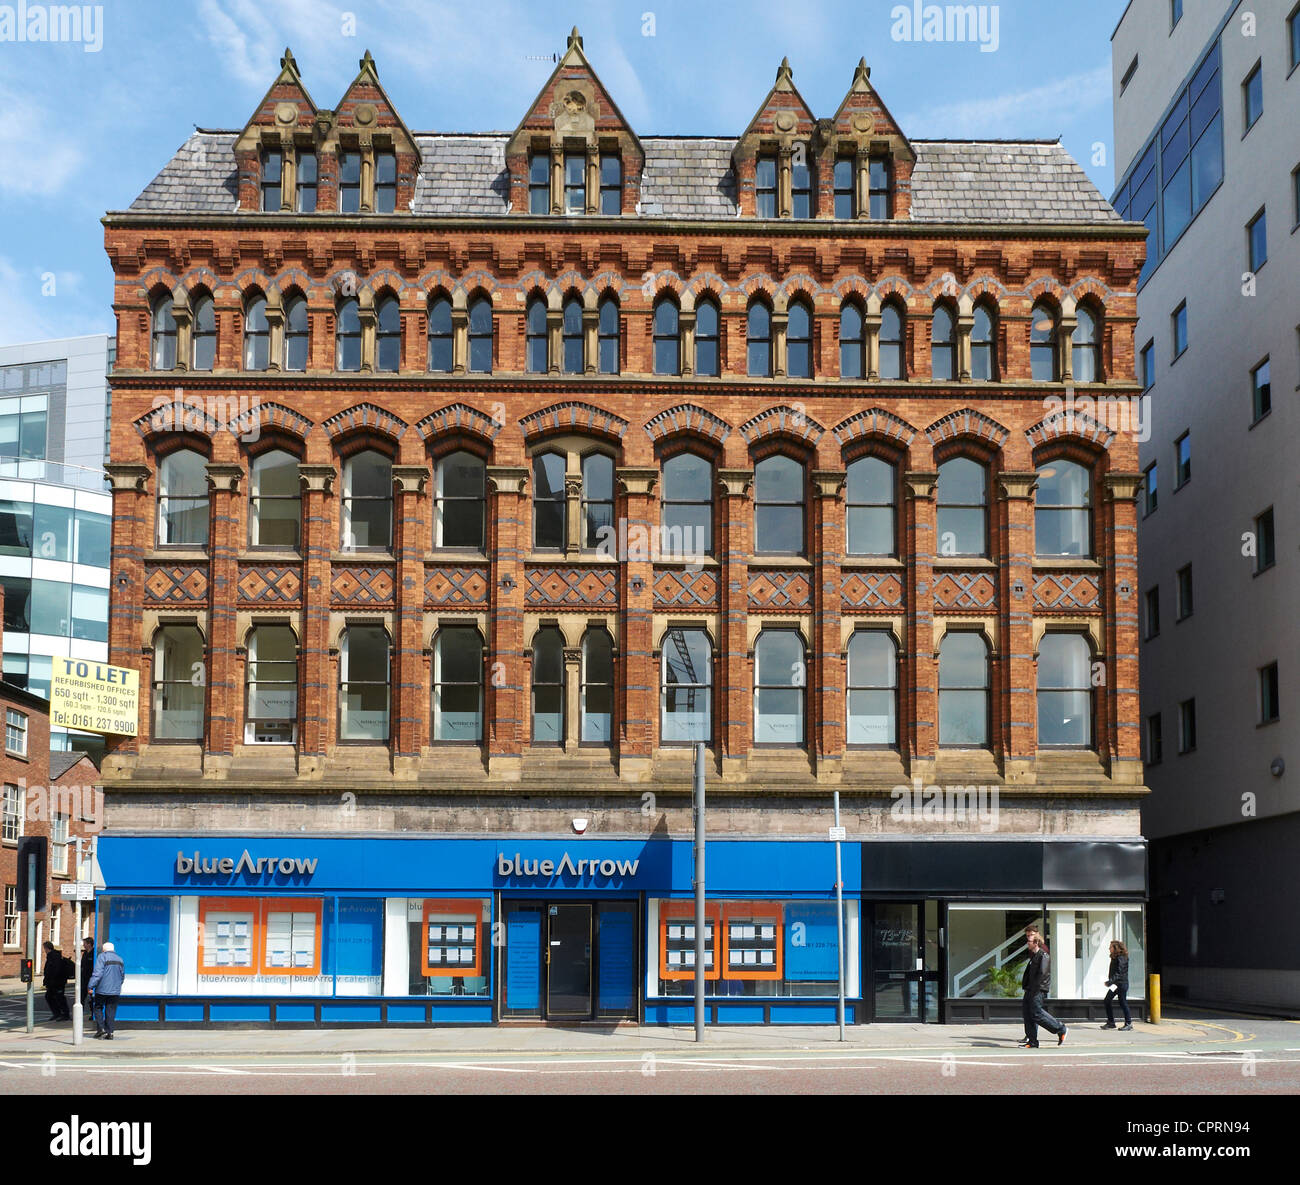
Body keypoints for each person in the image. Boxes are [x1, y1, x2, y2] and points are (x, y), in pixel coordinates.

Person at [1020, 930, 1066, 1048]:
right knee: (1028, 1014)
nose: (1027, 943)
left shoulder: (1043, 955)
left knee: (1036, 1013)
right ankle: (1032, 1041)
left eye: (1029, 941)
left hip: (1037, 990)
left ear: (1036, 943)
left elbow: (1043, 974)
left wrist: (1036, 990)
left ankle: (1060, 1028)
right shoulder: (1034, 956)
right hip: (1030, 990)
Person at [86, 940, 126, 1040]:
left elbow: (97, 974)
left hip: (102, 990)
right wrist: (117, 986)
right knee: (111, 1011)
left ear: (104, 949)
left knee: (98, 1008)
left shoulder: (102, 957)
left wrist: (90, 986)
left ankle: (101, 1029)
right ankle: (110, 1032)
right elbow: (122, 976)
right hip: (115, 990)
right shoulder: (120, 959)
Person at [1101, 939, 1133, 1031]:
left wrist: (1109, 982)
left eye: (1110, 947)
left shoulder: (1121, 958)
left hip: (1121, 984)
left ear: (1115, 948)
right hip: (1115, 985)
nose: (1109, 948)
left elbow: (1119, 973)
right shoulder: (1115, 957)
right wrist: (1110, 982)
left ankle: (1128, 1023)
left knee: (1123, 1002)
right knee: (1107, 1000)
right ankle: (1111, 1022)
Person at [41, 941, 72, 1021]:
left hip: (58, 982)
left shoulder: (55, 956)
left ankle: (65, 1015)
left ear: (46, 948)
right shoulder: (51, 956)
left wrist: (51, 980)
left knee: (60, 998)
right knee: (49, 997)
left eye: (44, 948)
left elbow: (55, 970)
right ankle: (57, 1013)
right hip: (53, 982)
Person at [80, 937, 95, 1012]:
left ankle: (93, 1014)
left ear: (89, 944)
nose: (83, 945)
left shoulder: (94, 953)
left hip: (91, 979)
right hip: (84, 979)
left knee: (92, 997)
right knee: (81, 997)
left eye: (84, 944)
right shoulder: (85, 953)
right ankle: (79, 1013)